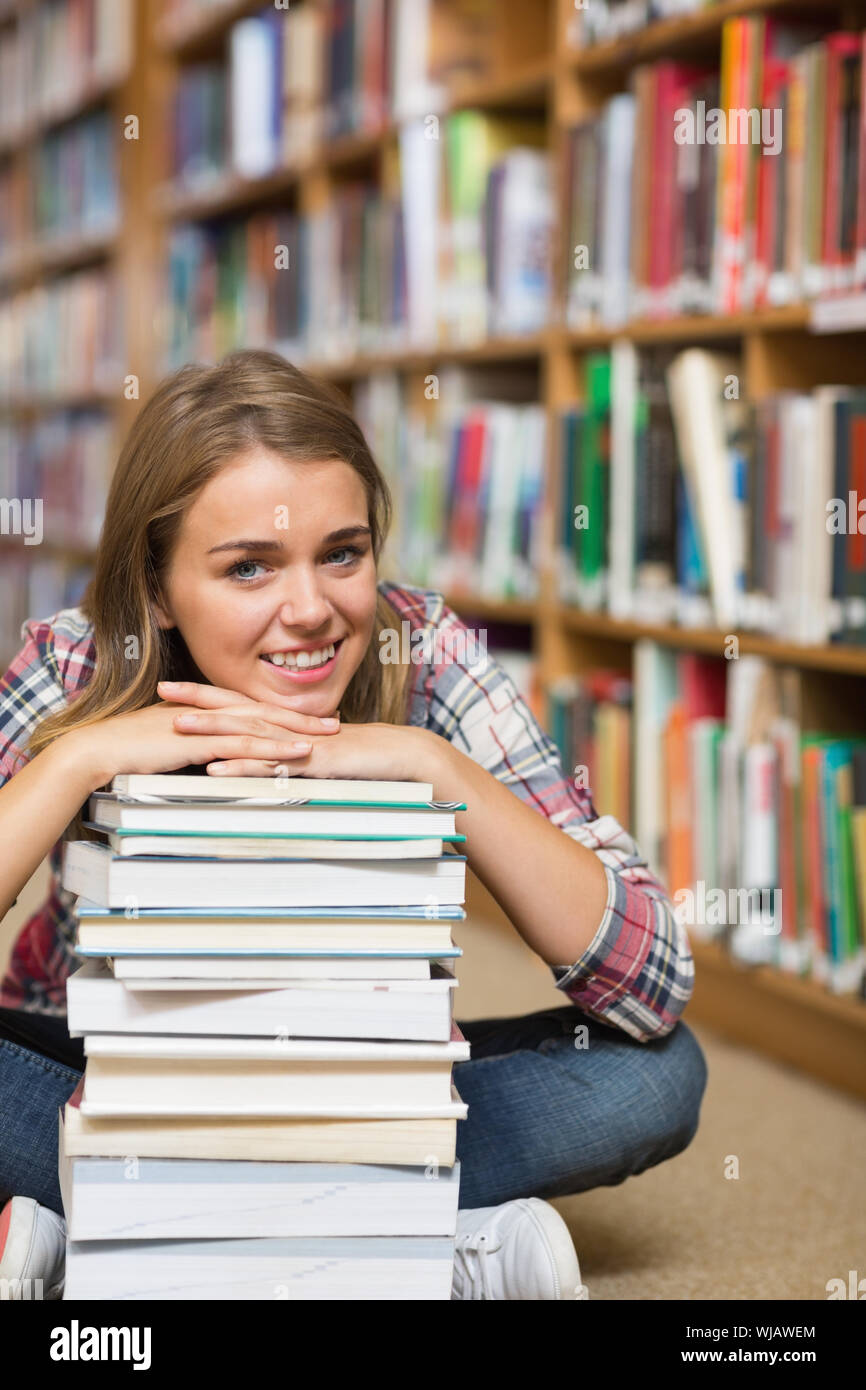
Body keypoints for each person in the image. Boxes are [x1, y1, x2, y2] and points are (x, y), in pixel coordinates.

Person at [0, 348, 707, 1301]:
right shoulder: (81, 663)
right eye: (248, 568)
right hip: (119, 1079)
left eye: (342, 553)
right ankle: (415, 1237)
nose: (311, 611)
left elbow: (653, 979)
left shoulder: (421, 648)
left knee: (657, 1078)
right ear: (159, 589)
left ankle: (116, 1232)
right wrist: (81, 757)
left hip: (369, 1086)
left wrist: (434, 765)